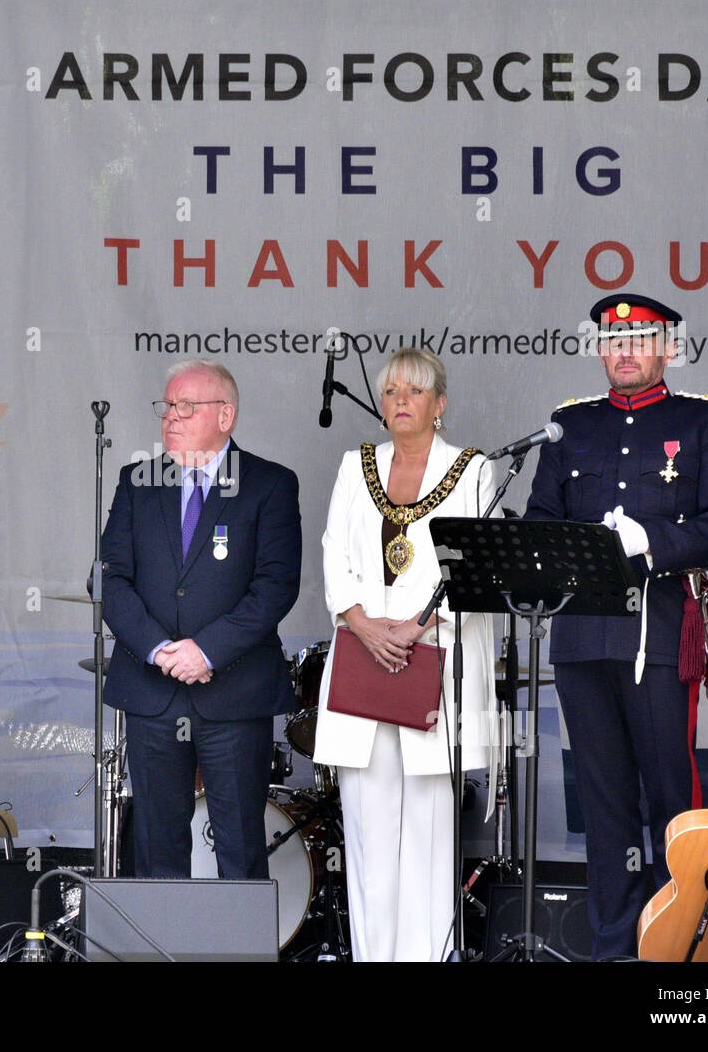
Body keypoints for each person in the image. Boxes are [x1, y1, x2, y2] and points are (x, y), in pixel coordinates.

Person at [524, 292, 708, 960]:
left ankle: (682, 945)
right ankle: (614, 947)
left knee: (670, 798)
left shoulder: (704, 421)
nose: (624, 350)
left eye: (640, 339)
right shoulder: (571, 426)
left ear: (667, 349)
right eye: (613, 340)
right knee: (603, 802)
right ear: (600, 349)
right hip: (583, 637)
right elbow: (541, 517)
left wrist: (650, 541)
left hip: (658, 632)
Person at [314, 349, 499, 962]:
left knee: (427, 834)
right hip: (364, 660)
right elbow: (334, 552)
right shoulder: (353, 465)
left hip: (435, 663)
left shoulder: (472, 470)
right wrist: (365, 624)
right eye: (390, 390)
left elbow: (476, 566)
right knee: (367, 831)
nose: (399, 400)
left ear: (439, 405)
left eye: (413, 391)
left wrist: (416, 628)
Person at [100, 359, 301, 879]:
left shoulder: (270, 484)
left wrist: (205, 651)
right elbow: (109, 579)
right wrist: (162, 651)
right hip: (152, 692)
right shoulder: (135, 482)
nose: (171, 417)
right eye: (167, 406)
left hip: (234, 695)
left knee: (239, 849)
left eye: (186, 407)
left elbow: (275, 585)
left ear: (226, 415)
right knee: (156, 852)